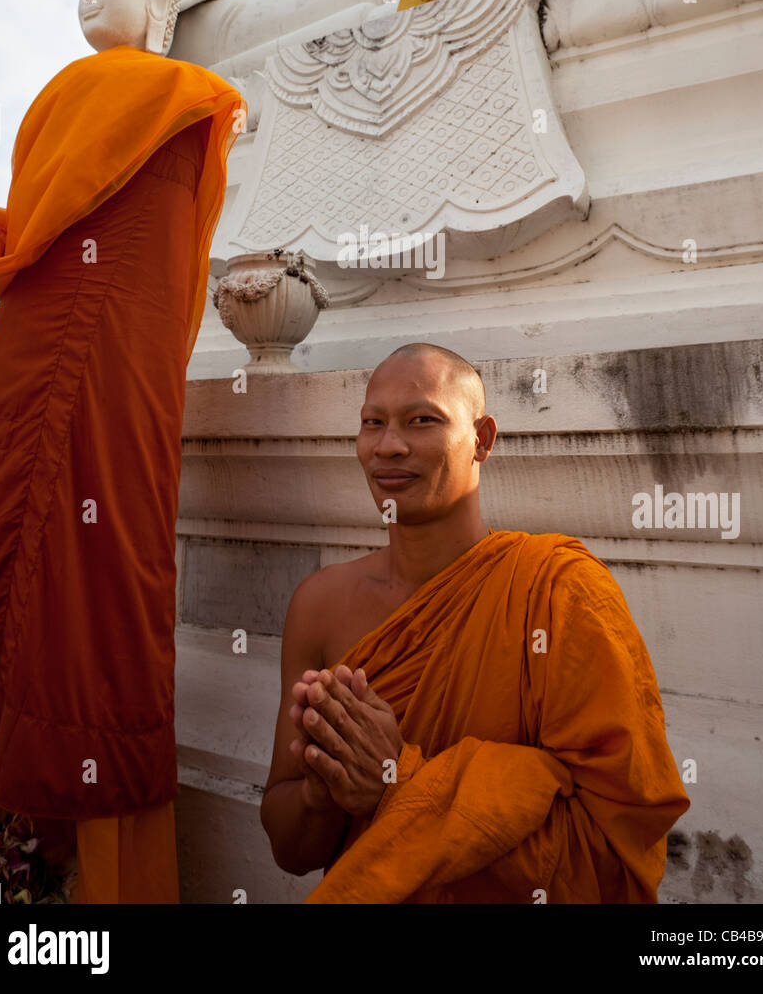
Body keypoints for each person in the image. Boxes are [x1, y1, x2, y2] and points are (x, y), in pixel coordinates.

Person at [0, 0, 245, 903]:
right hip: (27, 349)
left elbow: (149, 265)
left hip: (110, 370)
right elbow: (35, 230)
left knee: (94, 585)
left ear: (159, 6)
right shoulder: (60, 96)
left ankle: (99, 890)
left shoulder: (175, 97)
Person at [261, 342, 689, 903]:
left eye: (422, 421)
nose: (389, 446)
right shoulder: (319, 604)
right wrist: (326, 790)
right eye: (373, 423)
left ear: (482, 439)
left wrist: (399, 784)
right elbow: (291, 852)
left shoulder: (557, 592)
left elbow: (611, 850)